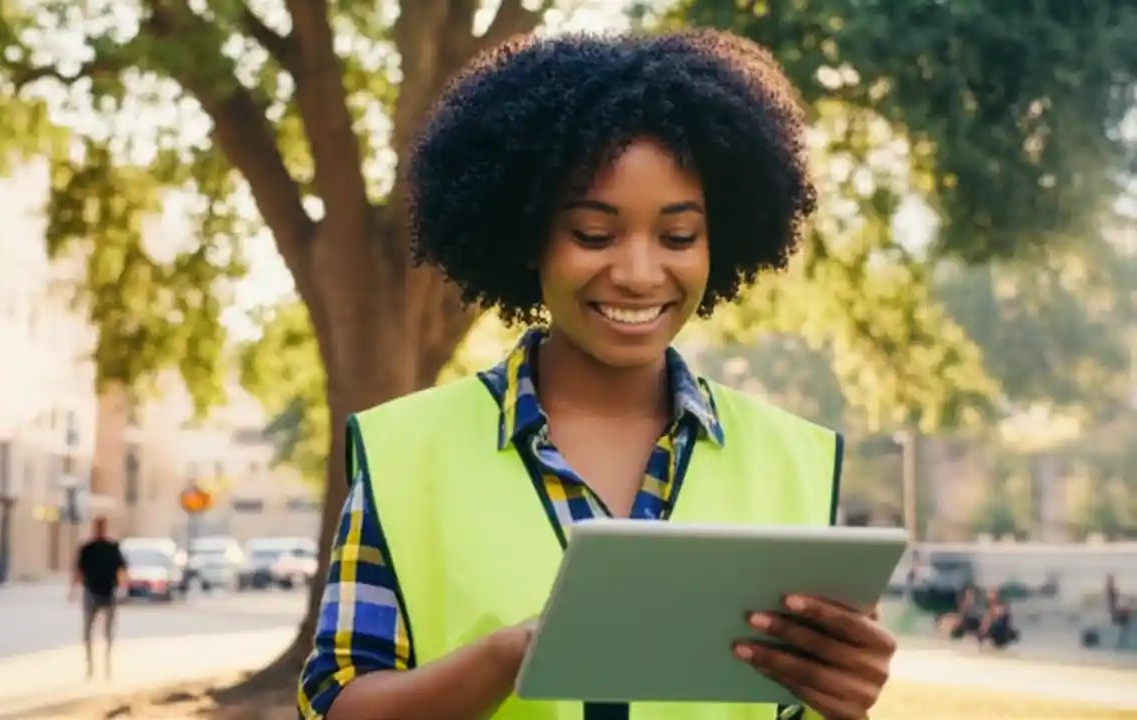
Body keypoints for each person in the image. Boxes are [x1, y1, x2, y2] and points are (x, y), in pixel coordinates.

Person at [298, 29, 897, 720]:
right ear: (528, 236)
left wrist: (837, 700)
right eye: (593, 233)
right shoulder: (406, 452)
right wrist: (509, 656)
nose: (640, 274)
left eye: (678, 237)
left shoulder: (797, 460)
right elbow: (334, 704)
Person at [71, 517, 128, 680]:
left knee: (108, 633)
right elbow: (78, 571)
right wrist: (73, 590)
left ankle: (107, 666)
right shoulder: (87, 549)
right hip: (91, 591)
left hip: (109, 593)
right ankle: (90, 667)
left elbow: (122, 569)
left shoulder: (112, 548)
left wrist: (123, 589)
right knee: (88, 633)